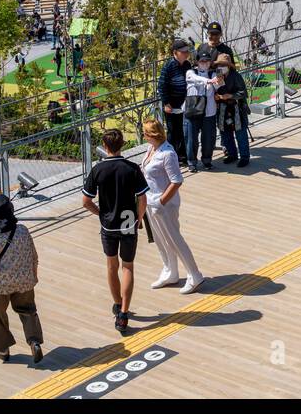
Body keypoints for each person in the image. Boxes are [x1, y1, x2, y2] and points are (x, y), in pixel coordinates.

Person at [82, 128, 149, 335]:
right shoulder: (132, 168)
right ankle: (124, 313)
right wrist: (138, 218)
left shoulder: (98, 170)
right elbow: (143, 199)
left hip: (108, 225)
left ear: (105, 145)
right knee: (127, 267)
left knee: (112, 266)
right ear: (122, 145)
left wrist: (101, 214)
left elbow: (86, 201)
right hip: (129, 223)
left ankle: (117, 304)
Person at [139, 118, 203, 294]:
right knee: (161, 240)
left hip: (164, 205)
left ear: (152, 134)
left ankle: (194, 274)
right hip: (150, 202)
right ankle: (170, 271)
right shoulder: (151, 148)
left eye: (144, 133)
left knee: (175, 239)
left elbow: (176, 181)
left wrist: (161, 201)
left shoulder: (168, 154)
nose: (143, 136)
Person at [0, 194, 43, 364]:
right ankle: (34, 341)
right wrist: (33, 275)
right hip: (25, 281)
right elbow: (34, 256)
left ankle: (2, 349)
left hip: (1, 286)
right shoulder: (22, 230)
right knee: (28, 311)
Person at [157, 38, 192, 166]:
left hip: (185, 104)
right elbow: (162, 86)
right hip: (171, 106)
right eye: (183, 52)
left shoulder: (187, 65)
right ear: (175, 52)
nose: (186, 54)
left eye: (187, 51)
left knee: (184, 131)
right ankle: (171, 157)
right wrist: (166, 103)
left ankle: (183, 156)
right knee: (173, 132)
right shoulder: (168, 66)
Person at [213, 53, 251, 167]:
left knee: (240, 133)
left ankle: (244, 157)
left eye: (224, 64)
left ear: (229, 66)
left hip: (236, 108)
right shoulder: (217, 75)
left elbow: (243, 93)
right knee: (225, 133)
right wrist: (216, 95)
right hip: (222, 108)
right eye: (220, 64)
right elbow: (213, 89)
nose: (221, 66)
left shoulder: (236, 76)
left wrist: (230, 96)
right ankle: (232, 154)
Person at [184, 49, 217, 171]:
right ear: (197, 62)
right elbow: (194, 78)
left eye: (207, 61)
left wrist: (218, 80)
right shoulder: (190, 72)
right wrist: (208, 81)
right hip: (193, 110)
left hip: (209, 112)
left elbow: (219, 86)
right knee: (191, 139)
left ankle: (207, 160)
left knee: (208, 138)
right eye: (202, 61)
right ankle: (192, 162)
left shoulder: (212, 74)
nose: (205, 63)